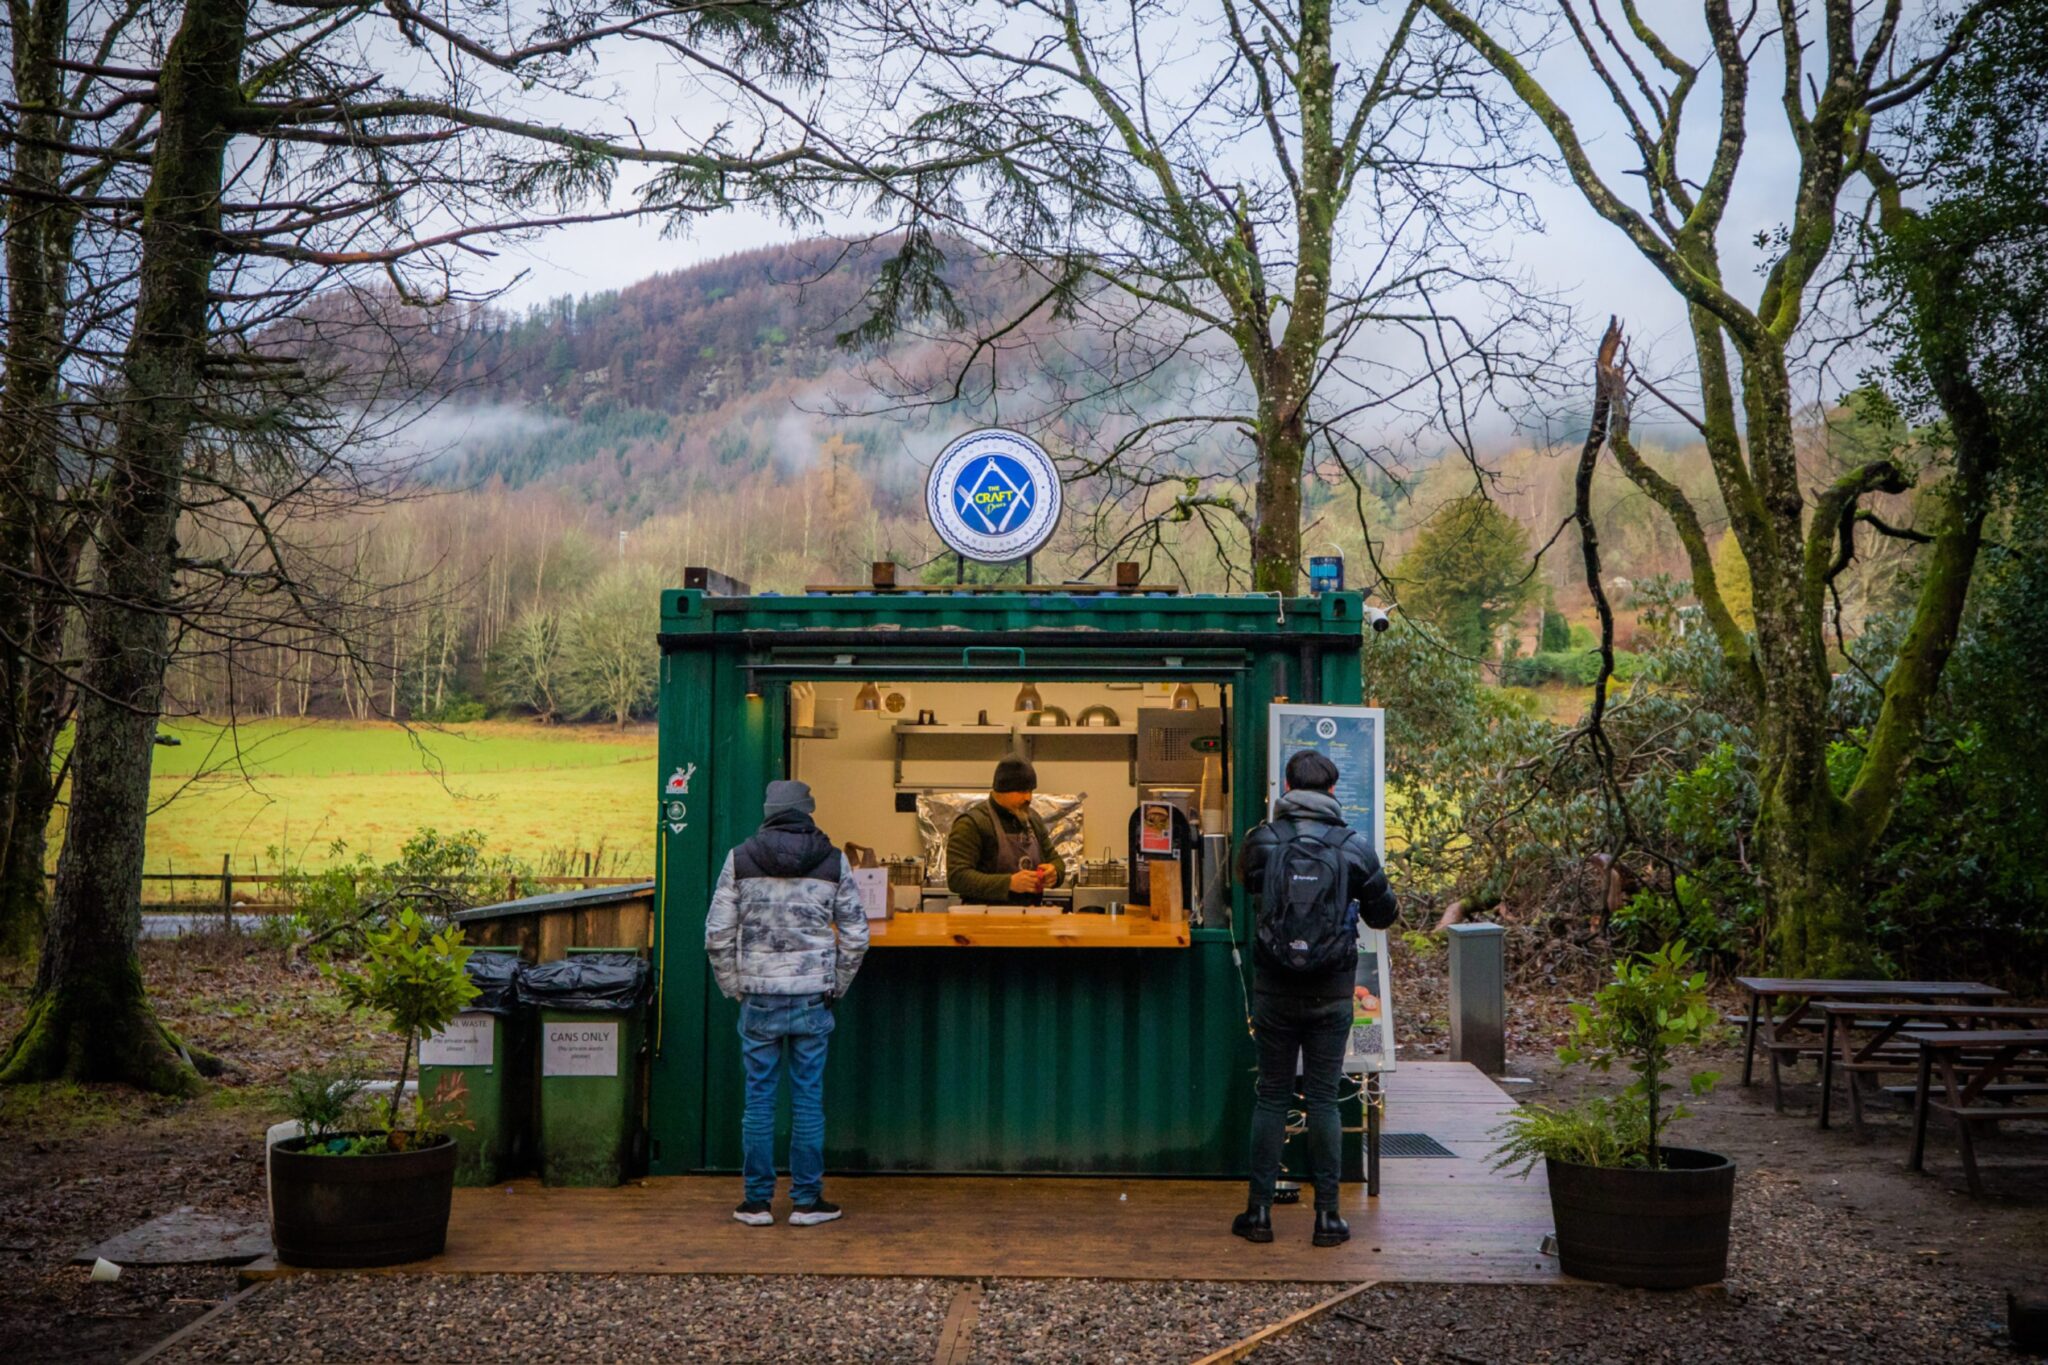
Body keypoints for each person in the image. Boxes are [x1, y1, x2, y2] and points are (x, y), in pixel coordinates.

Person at [1233, 748, 1398, 1248]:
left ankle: (1258, 1215)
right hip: (1330, 989)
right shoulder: (1352, 845)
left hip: (1275, 988)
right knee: (1324, 1097)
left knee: (1272, 1096)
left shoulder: (1262, 841)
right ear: (1332, 790)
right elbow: (1383, 916)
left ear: (1286, 787)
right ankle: (1327, 1219)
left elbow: (1243, 884)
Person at [705, 779, 870, 1228]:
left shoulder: (739, 859)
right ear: (809, 809)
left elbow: (716, 934)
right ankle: (806, 1202)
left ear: (768, 810)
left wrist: (734, 985)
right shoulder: (833, 861)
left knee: (758, 1099)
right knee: (807, 1099)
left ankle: (756, 1203)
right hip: (811, 996)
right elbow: (856, 935)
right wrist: (834, 984)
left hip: (759, 995)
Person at [944, 754, 1066, 904]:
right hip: (983, 919)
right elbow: (957, 877)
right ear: (1002, 789)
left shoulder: (1033, 820)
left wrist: (1055, 873)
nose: (1028, 798)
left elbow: (1054, 858)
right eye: (1021, 791)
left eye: (1030, 791)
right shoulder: (972, 824)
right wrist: (1009, 883)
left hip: (1029, 917)